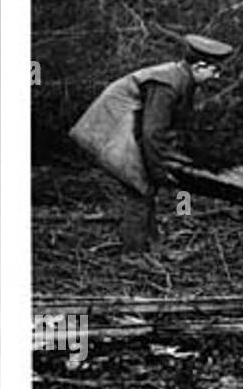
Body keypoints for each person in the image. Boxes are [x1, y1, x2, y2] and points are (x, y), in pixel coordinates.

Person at [68, 34, 234, 255]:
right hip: (108, 129)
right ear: (200, 66)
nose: (217, 76)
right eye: (214, 71)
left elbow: (174, 127)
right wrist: (159, 171)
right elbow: (153, 133)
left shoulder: (182, 78)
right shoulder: (167, 83)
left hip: (125, 128)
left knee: (146, 190)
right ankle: (135, 255)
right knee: (141, 189)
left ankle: (152, 249)